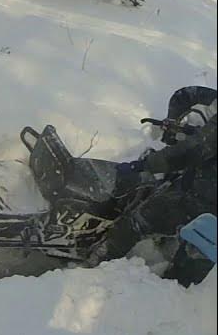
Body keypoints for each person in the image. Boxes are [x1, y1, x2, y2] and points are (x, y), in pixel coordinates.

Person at [85, 86, 216, 285]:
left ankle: (92, 269)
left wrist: (146, 164)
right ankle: (175, 294)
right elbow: (186, 96)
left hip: (200, 198)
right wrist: (186, 127)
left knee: (136, 223)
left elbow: (192, 150)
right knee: (192, 265)